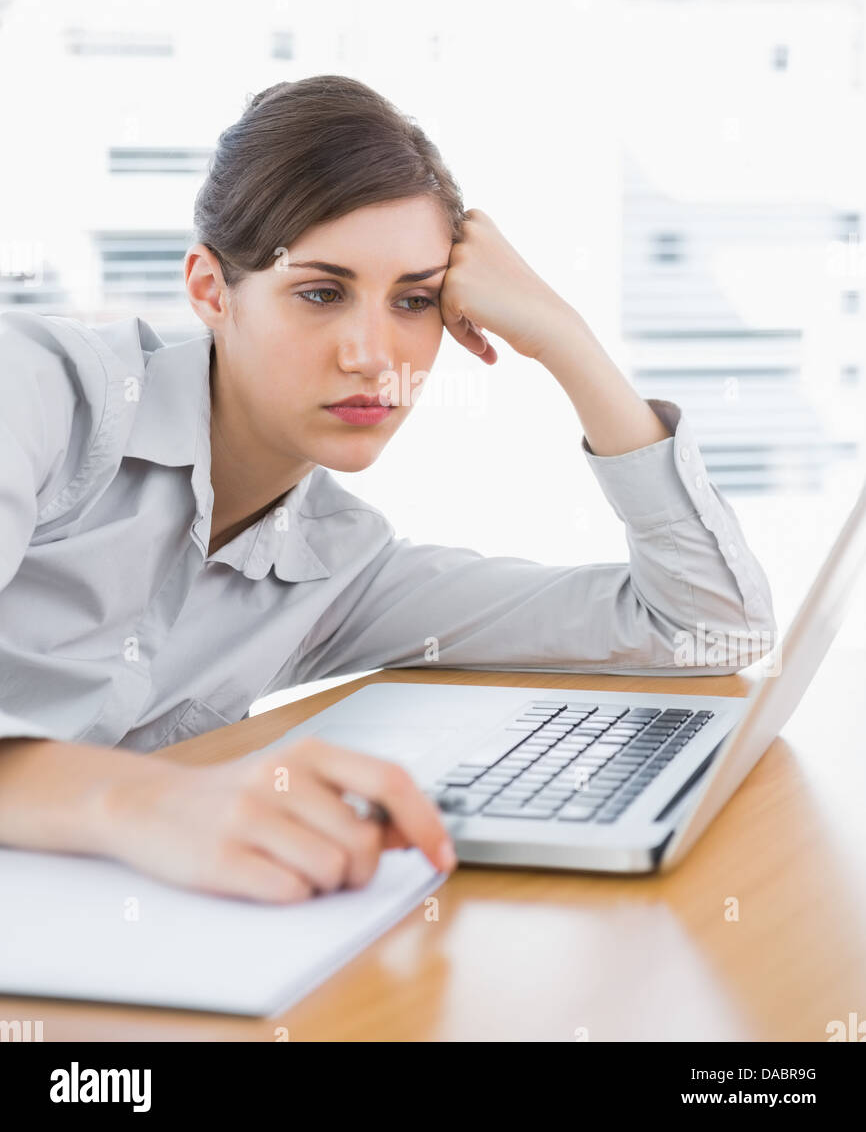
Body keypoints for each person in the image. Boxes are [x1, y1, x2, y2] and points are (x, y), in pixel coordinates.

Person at [0, 74, 776, 903]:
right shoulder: (40, 394)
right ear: (209, 290)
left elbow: (710, 628)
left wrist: (564, 339)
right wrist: (149, 803)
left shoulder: (339, 569)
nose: (375, 355)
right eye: (322, 293)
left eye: (415, 301)